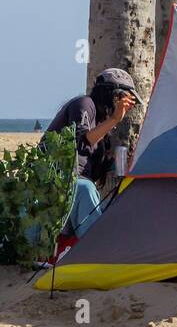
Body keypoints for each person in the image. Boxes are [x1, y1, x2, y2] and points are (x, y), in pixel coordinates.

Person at [43, 67, 137, 240]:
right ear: (111, 93)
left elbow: (95, 170)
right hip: (55, 182)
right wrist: (115, 119)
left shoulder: (102, 123)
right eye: (122, 98)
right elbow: (81, 142)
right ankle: (96, 252)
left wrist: (119, 162)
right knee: (85, 189)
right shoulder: (85, 104)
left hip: (75, 189)